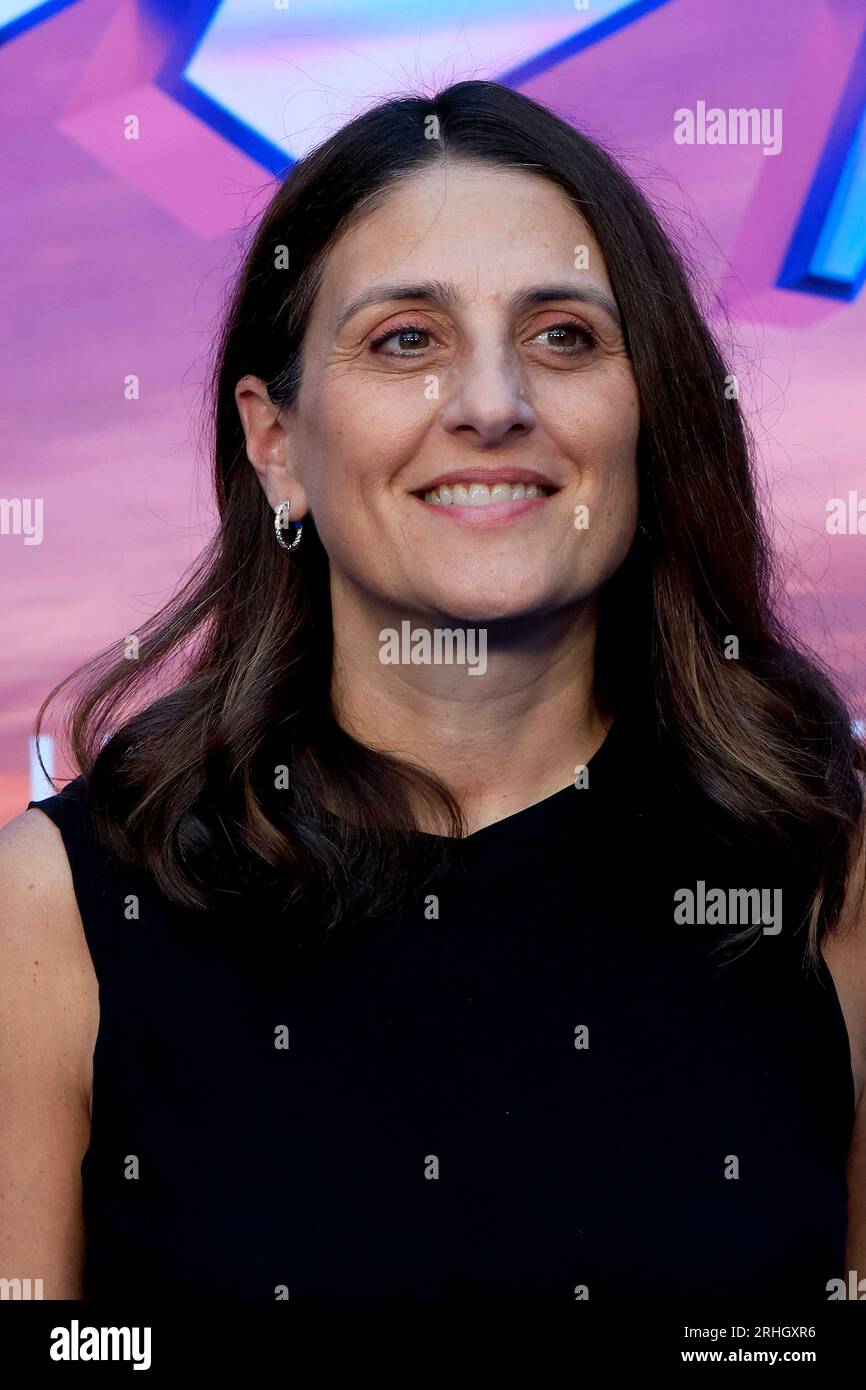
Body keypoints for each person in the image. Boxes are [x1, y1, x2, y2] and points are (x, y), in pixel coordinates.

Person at [2, 80, 865, 1302]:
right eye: (405, 339)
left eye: (563, 334)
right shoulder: (60, 912)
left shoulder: (829, 872)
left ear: (649, 411)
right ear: (274, 443)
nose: (492, 403)